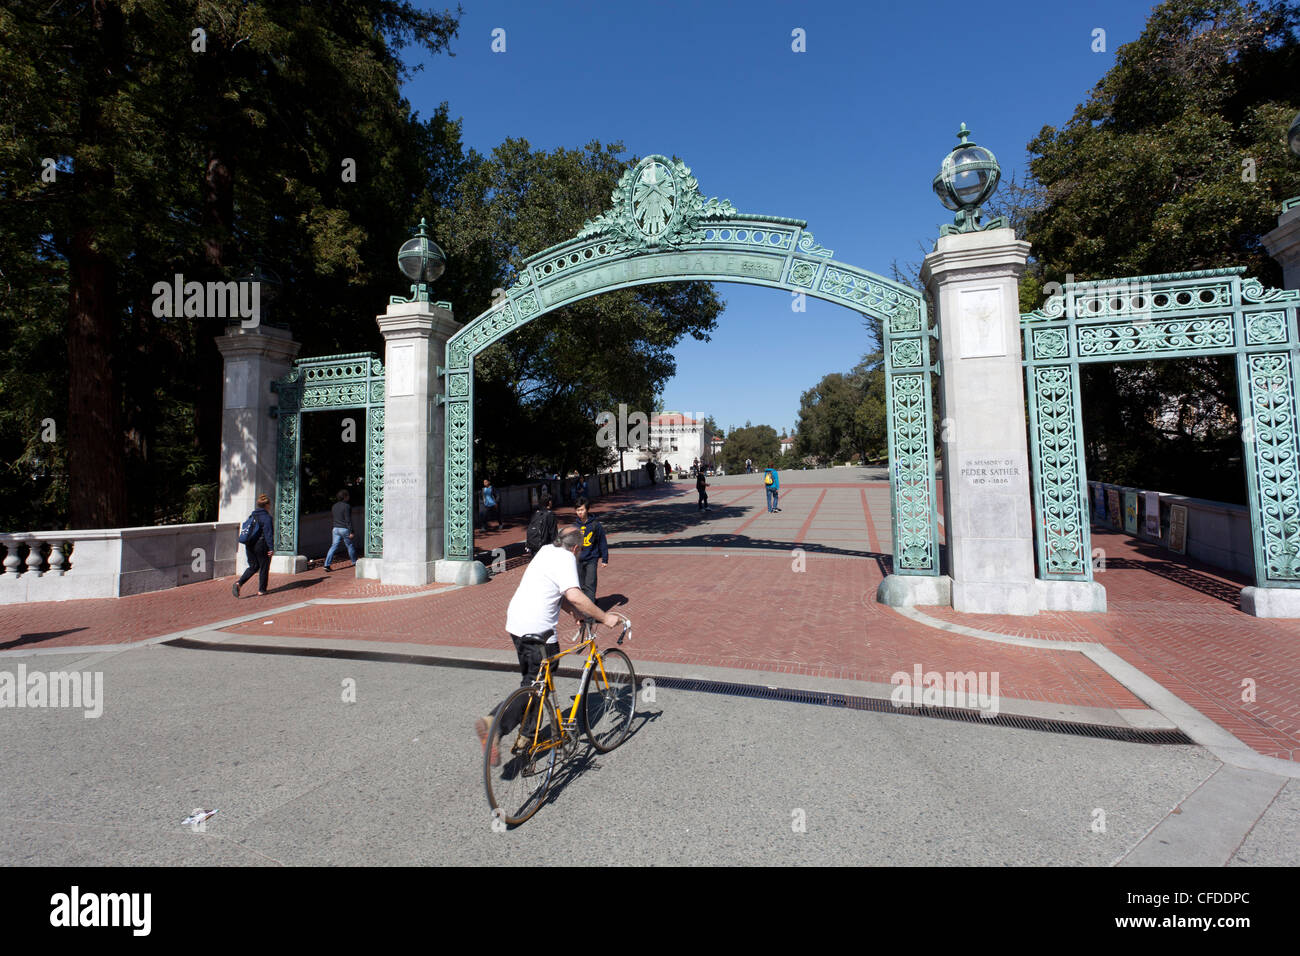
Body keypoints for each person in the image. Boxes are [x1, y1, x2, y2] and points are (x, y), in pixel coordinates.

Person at [476, 526, 621, 763]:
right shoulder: (566, 559)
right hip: (538, 629)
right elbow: (573, 594)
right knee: (538, 678)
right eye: (580, 551)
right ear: (575, 548)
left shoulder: (545, 550)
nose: (578, 555)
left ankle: (528, 735)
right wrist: (605, 618)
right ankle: (494, 724)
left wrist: (573, 612)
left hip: (516, 622)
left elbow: (554, 590)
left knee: (535, 681)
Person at [232, 493, 274, 597]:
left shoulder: (252, 515)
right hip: (261, 544)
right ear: (267, 505)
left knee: (253, 566)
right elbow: (268, 534)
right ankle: (262, 590)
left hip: (249, 544)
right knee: (264, 566)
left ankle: (239, 583)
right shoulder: (266, 517)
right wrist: (271, 548)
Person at [574, 497, 609, 602]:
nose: (580, 512)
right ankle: (588, 605)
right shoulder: (574, 526)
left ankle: (590, 615)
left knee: (590, 584)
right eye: (577, 510)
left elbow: (602, 541)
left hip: (591, 559)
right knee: (581, 585)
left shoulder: (595, 525)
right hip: (578, 559)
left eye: (582, 510)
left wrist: (604, 558)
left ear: (587, 509)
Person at [323, 489, 357, 571]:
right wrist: (351, 531)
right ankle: (354, 561)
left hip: (335, 528)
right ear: (345, 497)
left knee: (333, 546)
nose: (349, 497)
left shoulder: (334, 506)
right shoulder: (347, 506)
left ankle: (326, 564)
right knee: (350, 545)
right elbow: (348, 520)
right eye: (347, 495)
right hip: (344, 529)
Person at [524, 492, 558, 558]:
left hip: (533, 546)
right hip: (545, 547)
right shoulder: (550, 514)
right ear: (549, 502)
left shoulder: (536, 513)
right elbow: (553, 533)